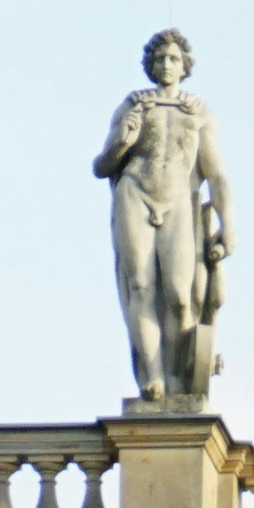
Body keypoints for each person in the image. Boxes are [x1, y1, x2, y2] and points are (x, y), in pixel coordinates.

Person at [96, 31, 231, 410]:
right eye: (159, 59)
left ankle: (181, 373)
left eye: (173, 59)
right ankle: (153, 375)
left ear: (185, 66)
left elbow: (216, 173)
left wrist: (227, 223)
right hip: (135, 193)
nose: (165, 65)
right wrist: (123, 142)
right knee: (140, 285)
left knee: (180, 295)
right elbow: (102, 165)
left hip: (177, 201)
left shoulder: (197, 110)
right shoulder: (133, 105)